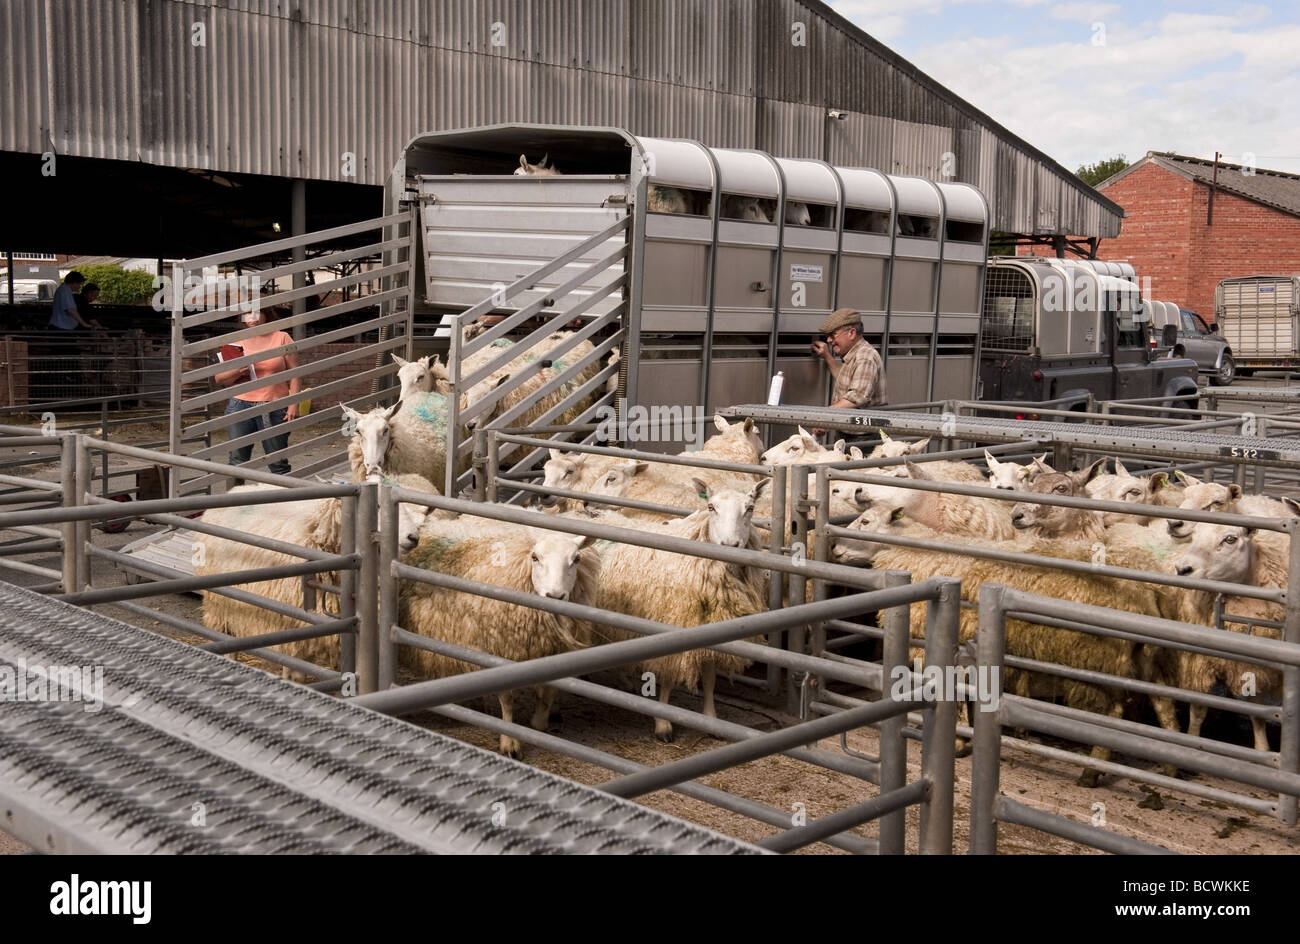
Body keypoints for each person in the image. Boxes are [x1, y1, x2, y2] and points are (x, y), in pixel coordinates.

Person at [214, 305, 301, 476]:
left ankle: (281, 501)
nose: (251, 318)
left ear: (266, 314)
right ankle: (234, 501)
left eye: (256, 313)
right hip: (240, 405)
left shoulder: (282, 337)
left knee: (277, 462)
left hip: (274, 406)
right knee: (237, 462)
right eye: (247, 314)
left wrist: (293, 404)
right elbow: (219, 379)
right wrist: (236, 371)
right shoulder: (236, 342)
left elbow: (295, 374)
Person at [810, 307, 887, 433]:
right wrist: (827, 356)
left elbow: (857, 396)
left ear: (851, 333)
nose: (829, 340)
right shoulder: (854, 354)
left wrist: (825, 417)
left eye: (833, 335)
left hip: (863, 437)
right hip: (851, 433)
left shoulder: (865, 356)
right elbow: (845, 380)